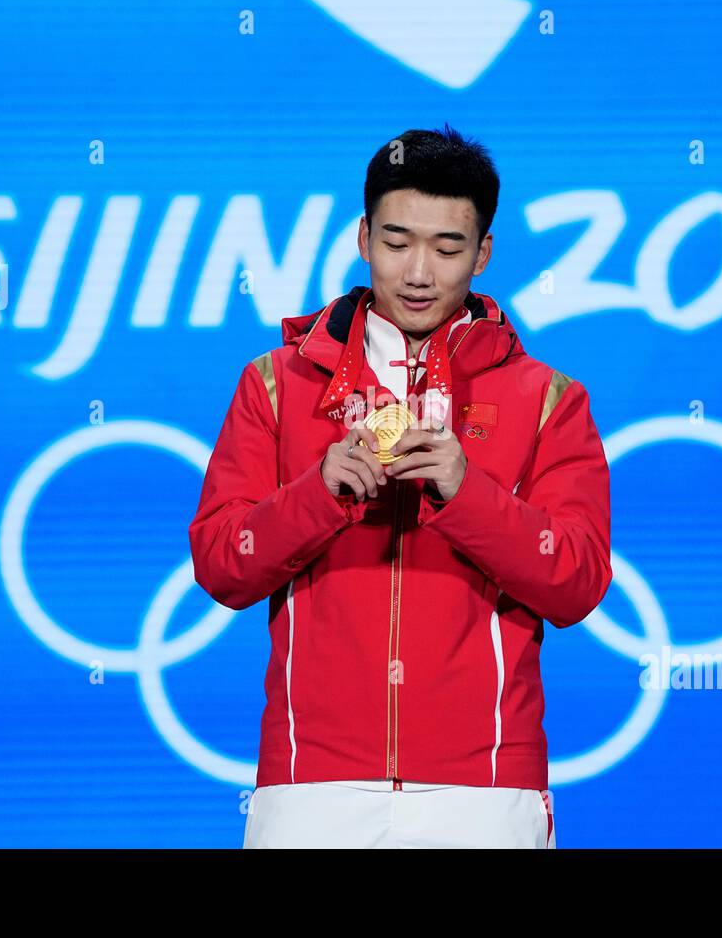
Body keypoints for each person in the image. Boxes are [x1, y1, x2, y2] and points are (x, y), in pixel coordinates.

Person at [188, 124, 612, 848]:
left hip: (483, 791)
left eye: (448, 250)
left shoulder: (548, 399)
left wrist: (466, 492)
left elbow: (576, 582)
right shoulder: (275, 382)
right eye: (396, 241)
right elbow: (222, 563)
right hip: (310, 787)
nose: (419, 272)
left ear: (483, 252)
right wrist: (317, 494)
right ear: (361, 237)